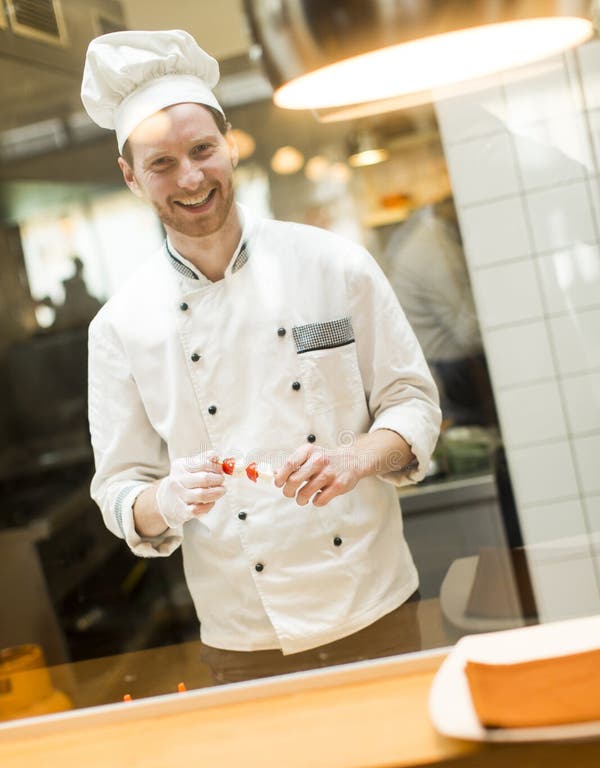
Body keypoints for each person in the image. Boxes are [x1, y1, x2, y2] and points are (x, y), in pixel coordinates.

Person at [81, 30, 441, 684]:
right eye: (161, 163)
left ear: (232, 144)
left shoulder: (334, 264)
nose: (191, 178)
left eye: (202, 149)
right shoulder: (119, 327)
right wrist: (168, 497)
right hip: (245, 639)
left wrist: (355, 456)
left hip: (377, 605)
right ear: (130, 176)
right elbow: (119, 493)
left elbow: (411, 402)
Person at [385, 197, 496, 427]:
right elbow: (468, 332)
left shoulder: (430, 238)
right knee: (473, 433)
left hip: (443, 364)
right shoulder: (436, 250)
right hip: (451, 369)